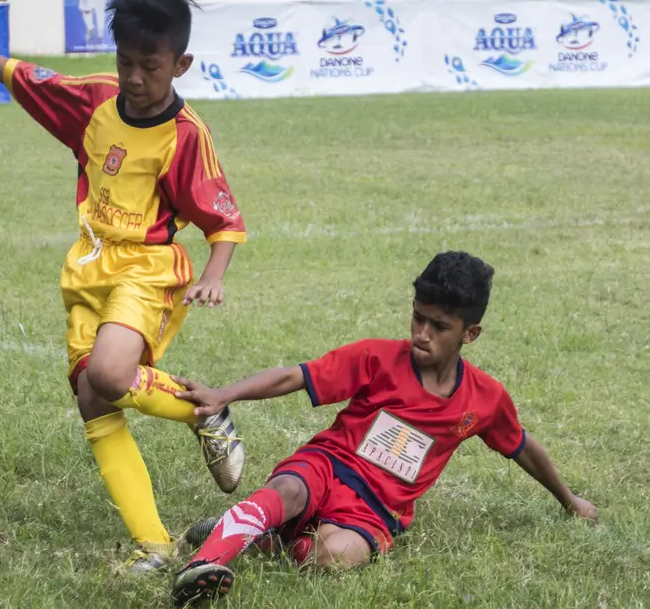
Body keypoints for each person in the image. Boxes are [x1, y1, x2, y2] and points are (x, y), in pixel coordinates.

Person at [0, 0, 247, 573]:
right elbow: (20, 75)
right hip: (89, 269)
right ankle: (153, 545)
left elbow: (224, 219)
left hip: (150, 269)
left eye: (150, 67)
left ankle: (203, 411)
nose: (135, 78)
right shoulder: (96, 103)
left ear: (180, 64)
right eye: (125, 62)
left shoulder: (186, 136)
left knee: (108, 375)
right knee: (91, 398)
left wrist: (213, 275)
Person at [168, 251, 598, 606]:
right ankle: (202, 567)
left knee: (331, 558)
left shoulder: (484, 398)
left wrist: (570, 499)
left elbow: (522, 446)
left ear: (471, 334)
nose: (422, 333)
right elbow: (295, 376)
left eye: (439, 326)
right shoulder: (377, 357)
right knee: (287, 490)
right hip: (330, 464)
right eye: (418, 318)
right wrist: (224, 394)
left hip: (376, 509)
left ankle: (262, 535)